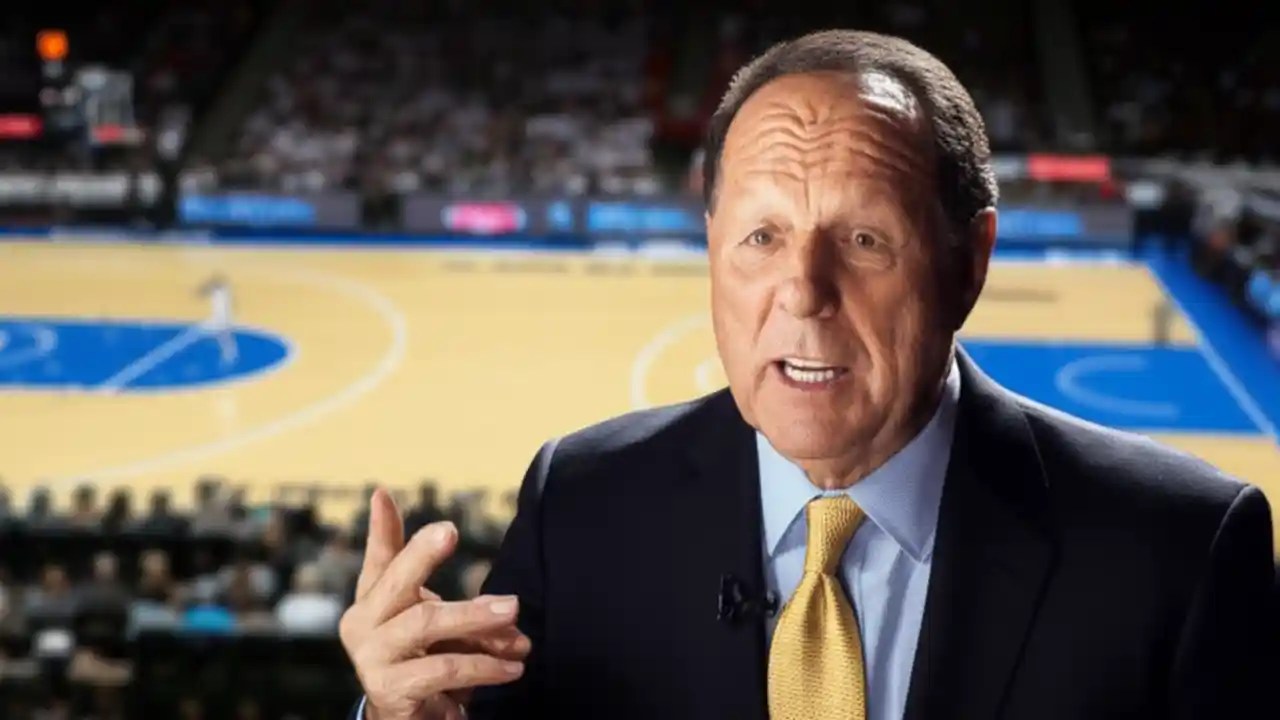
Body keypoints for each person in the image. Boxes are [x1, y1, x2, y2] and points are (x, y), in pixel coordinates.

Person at [338, 29, 1276, 720]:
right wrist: (400, 716)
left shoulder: (1179, 553)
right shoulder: (580, 506)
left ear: (970, 262)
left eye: (864, 240)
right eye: (761, 237)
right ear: (711, 247)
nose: (802, 293)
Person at [199, 273, 238, 367]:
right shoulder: (223, 293)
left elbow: (204, 291)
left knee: (224, 336)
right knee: (223, 337)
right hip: (223, 319)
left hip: (222, 320)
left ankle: (230, 355)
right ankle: (230, 354)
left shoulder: (220, 293)